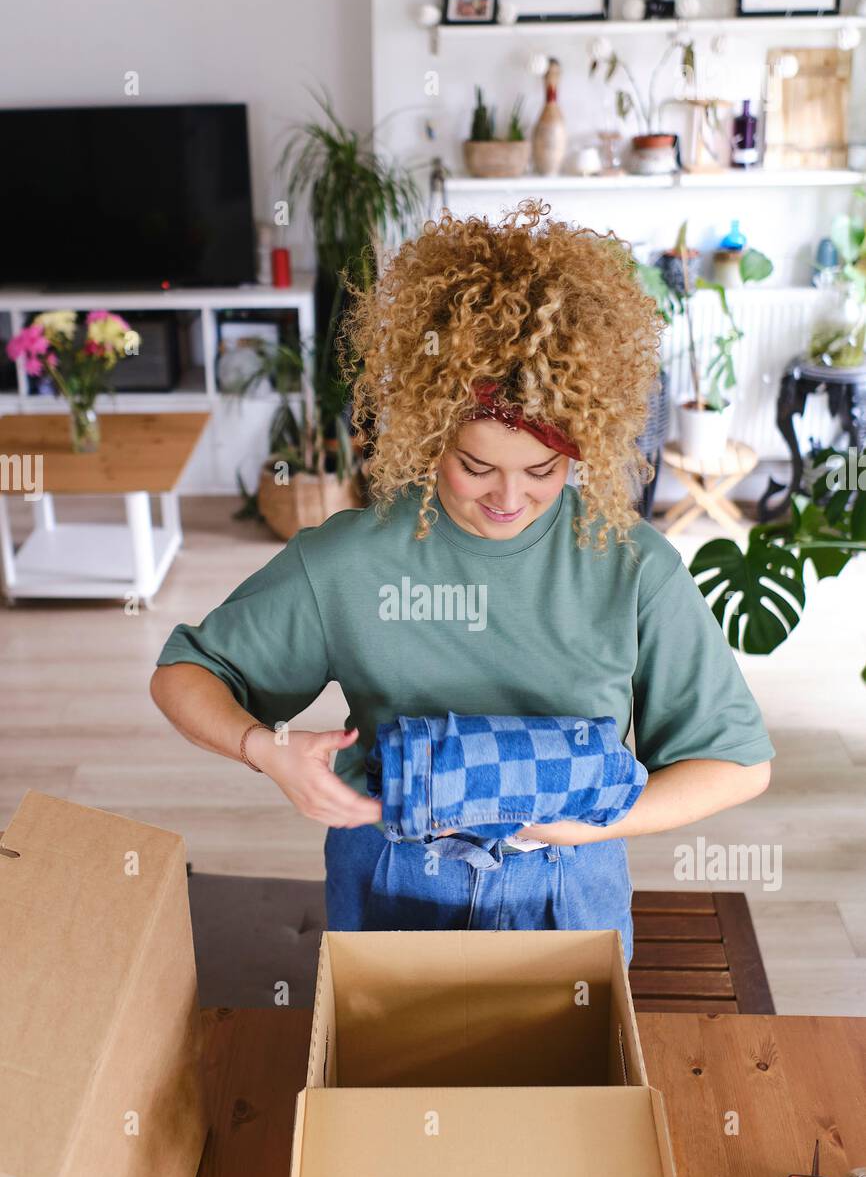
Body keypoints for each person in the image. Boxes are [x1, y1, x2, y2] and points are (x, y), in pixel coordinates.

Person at [150, 201, 774, 963]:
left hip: (570, 883)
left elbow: (738, 763)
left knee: (566, 1081)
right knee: (386, 1078)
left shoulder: (632, 565)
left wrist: (596, 826)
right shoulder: (351, 559)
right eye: (476, 467)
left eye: (543, 471)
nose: (508, 500)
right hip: (387, 874)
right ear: (427, 427)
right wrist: (265, 748)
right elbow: (184, 672)